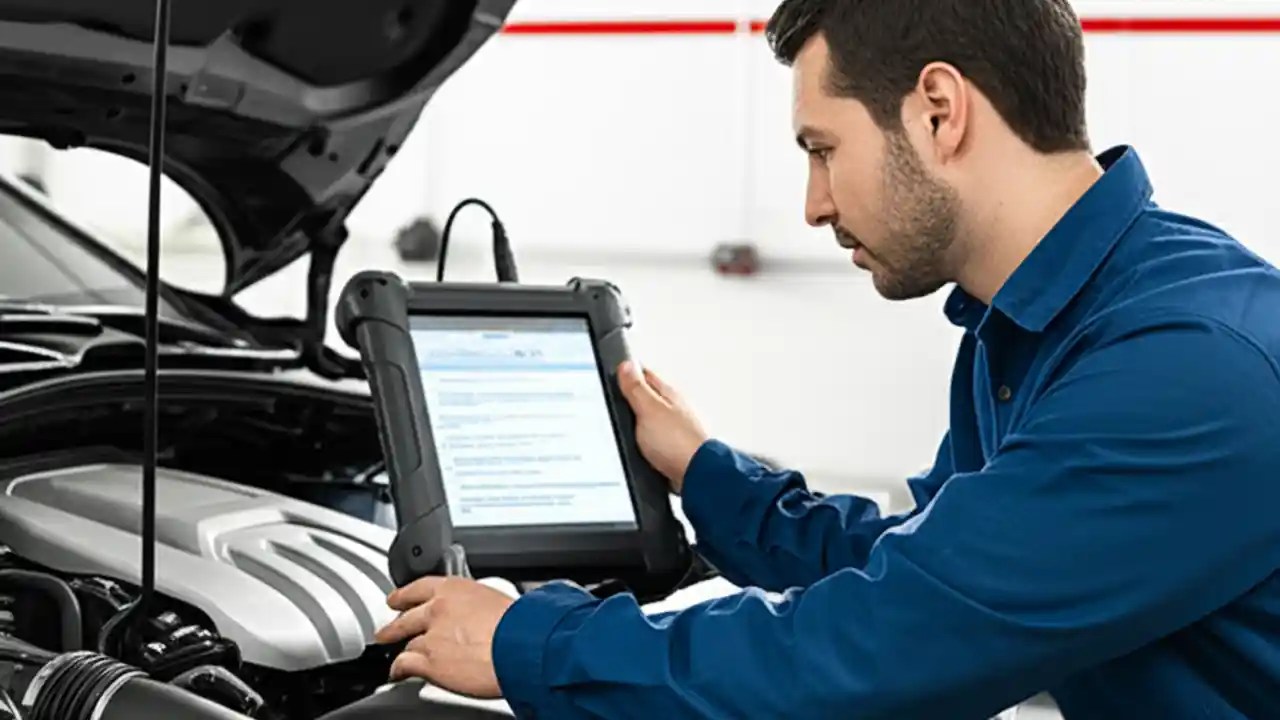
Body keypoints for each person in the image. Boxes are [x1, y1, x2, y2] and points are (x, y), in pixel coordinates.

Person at [371, 0, 1280, 716]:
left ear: (938, 111)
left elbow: (885, 648)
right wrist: (707, 474)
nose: (812, 204)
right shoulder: (1043, 324)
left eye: (821, 149)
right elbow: (930, 567)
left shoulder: (1187, 365)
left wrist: (526, 644)